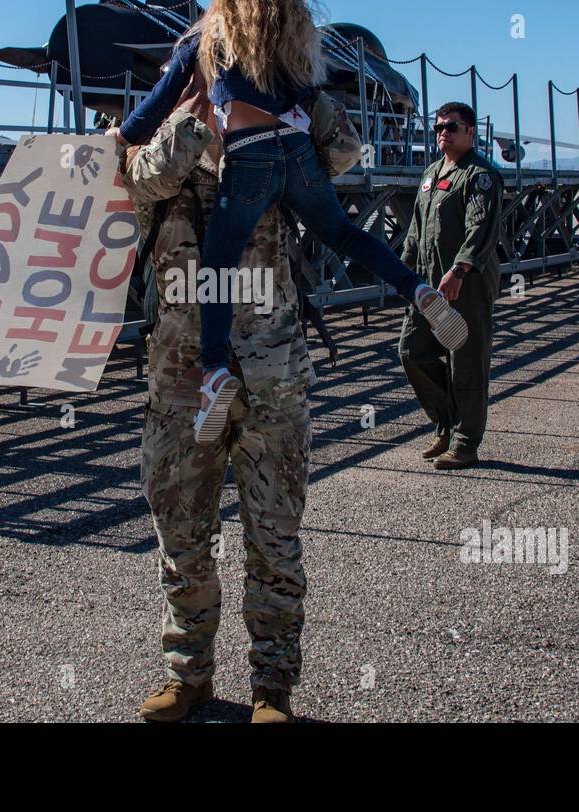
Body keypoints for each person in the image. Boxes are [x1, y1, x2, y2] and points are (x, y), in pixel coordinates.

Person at [109, 0, 457, 445]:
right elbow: (313, 103)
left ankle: (213, 375)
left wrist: (115, 139)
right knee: (342, 232)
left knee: (217, 267)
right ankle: (418, 290)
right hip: (296, 152)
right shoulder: (291, 35)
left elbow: (148, 116)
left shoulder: (210, 36)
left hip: (248, 159)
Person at [120, 66, 361, 723]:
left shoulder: (283, 154)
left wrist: (297, 87)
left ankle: (272, 689)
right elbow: (146, 173)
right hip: (182, 377)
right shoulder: (164, 152)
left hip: (269, 373)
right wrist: (196, 103)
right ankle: (187, 675)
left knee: (273, 537)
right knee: (181, 534)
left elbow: (344, 152)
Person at [399, 101, 503, 469]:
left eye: (452, 126)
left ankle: (465, 443)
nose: (444, 132)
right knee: (413, 352)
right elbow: (416, 229)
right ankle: (446, 422)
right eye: (439, 127)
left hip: (464, 282)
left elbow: (482, 228)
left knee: (466, 361)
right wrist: (403, 273)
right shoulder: (430, 174)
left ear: (470, 132)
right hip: (427, 282)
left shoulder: (480, 175)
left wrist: (460, 270)